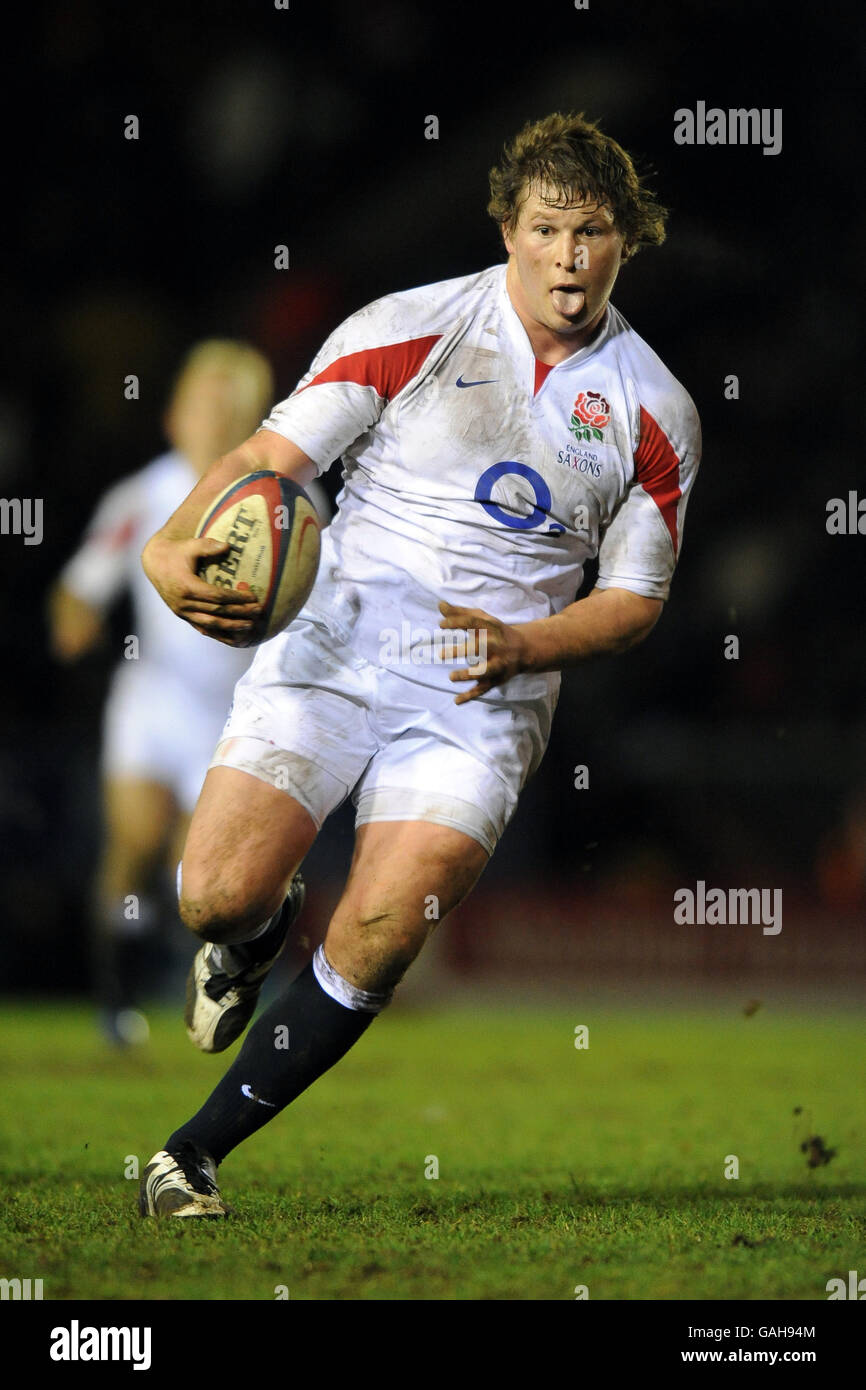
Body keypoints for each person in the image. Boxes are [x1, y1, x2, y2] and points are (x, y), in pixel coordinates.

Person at [136, 111, 701, 1217]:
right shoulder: (407, 327)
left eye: (592, 233)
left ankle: (192, 1155)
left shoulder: (656, 411)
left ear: (624, 239)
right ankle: (253, 932)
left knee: (383, 931)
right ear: (507, 230)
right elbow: (267, 458)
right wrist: (167, 546)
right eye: (547, 229)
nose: (569, 258)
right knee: (208, 894)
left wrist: (526, 644)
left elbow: (633, 602)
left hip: (482, 695)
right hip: (336, 638)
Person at [49, 340, 328, 1044]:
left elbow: (335, 598)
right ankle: (116, 999)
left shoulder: (293, 498)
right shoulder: (145, 494)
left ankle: (197, 984)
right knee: (135, 843)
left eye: (231, 405)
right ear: (176, 414)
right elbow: (83, 583)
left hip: (241, 710)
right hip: (154, 699)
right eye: (205, 401)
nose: (214, 417)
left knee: (195, 870)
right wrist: (75, 618)